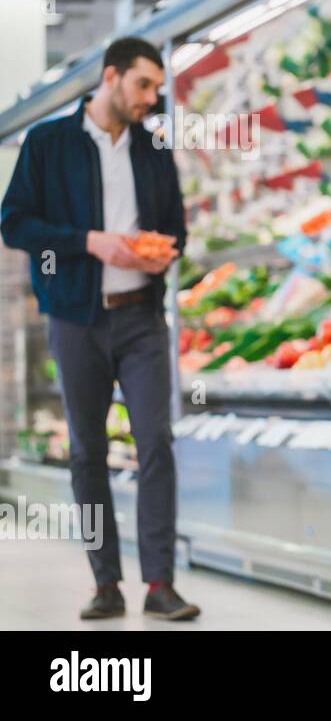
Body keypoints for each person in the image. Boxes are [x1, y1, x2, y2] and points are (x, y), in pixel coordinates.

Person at [1, 37, 197, 621]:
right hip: (76, 318)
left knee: (155, 442)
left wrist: (161, 252)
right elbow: (13, 223)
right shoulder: (48, 143)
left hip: (140, 316)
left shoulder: (154, 149)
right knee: (88, 451)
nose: (150, 98)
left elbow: (176, 230)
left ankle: (159, 582)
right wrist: (91, 243)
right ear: (111, 78)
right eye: (142, 85)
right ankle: (105, 582)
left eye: (157, 88)